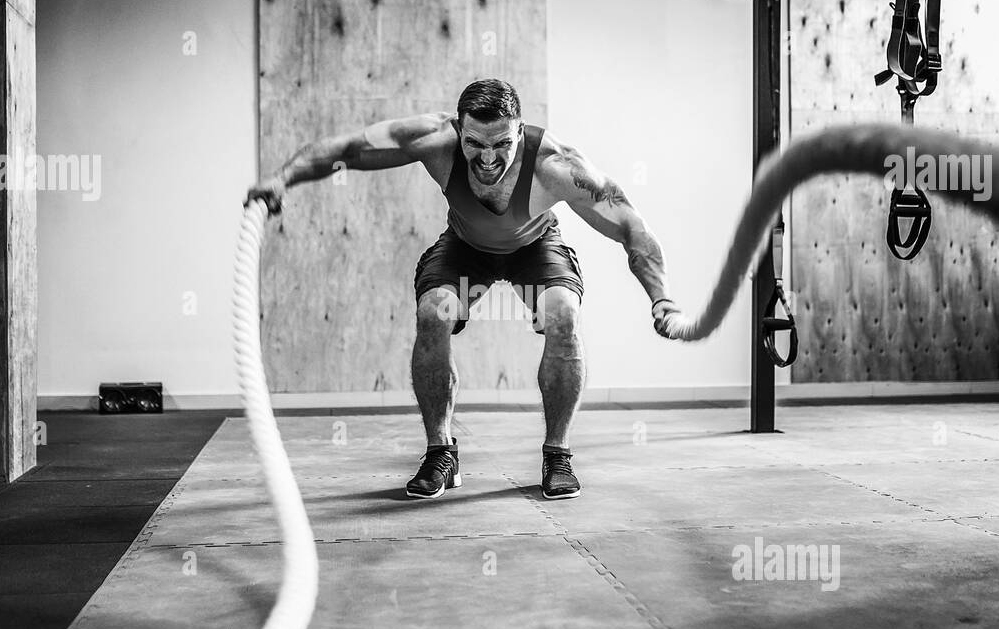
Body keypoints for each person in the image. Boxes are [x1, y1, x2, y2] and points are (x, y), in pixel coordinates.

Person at [247, 78, 681, 500]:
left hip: (534, 245)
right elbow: (349, 150)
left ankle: (558, 455)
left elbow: (632, 228)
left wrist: (660, 297)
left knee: (563, 314)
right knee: (433, 312)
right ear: (459, 129)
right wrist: (283, 178)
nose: (488, 158)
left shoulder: (558, 166)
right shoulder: (434, 140)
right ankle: (441, 453)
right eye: (475, 143)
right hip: (466, 245)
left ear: (519, 132)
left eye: (502, 145)